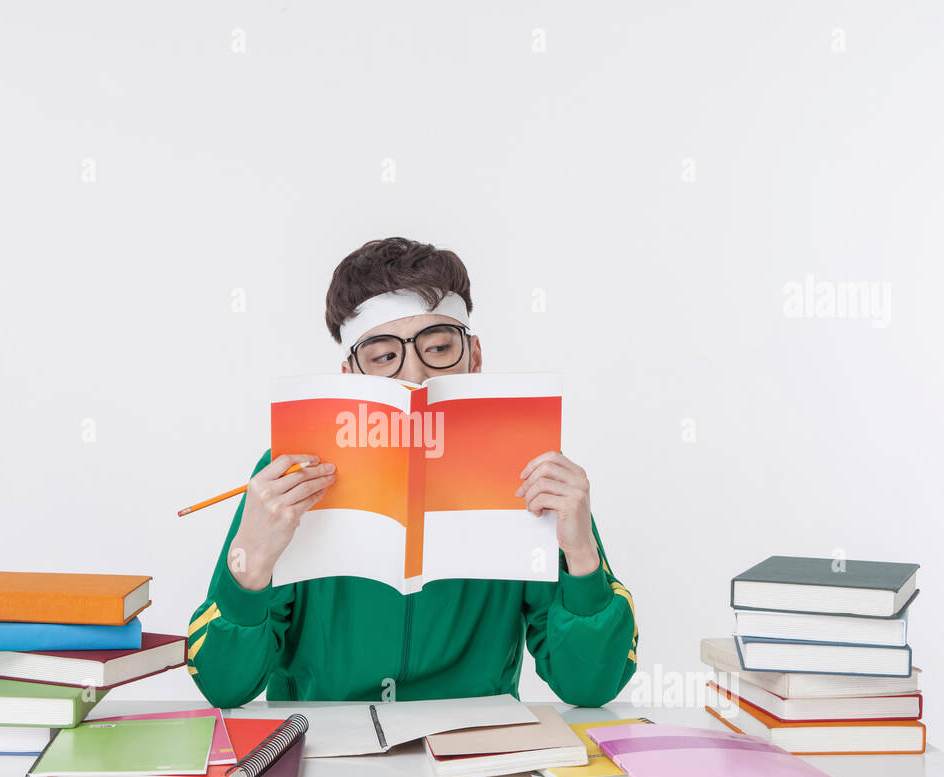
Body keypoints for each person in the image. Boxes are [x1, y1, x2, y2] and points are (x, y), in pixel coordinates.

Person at [186, 237, 637, 707]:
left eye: (438, 348)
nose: (415, 379)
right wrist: (251, 562)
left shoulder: (531, 472)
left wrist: (581, 555)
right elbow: (224, 685)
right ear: (350, 375)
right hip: (323, 741)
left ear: (474, 357)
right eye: (384, 358)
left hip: (476, 741)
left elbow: (590, 687)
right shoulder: (290, 477)